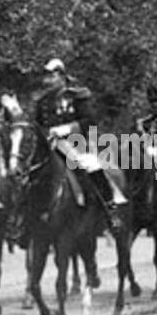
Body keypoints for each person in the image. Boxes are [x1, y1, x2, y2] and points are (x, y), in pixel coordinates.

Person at [35, 56, 127, 229]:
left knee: (91, 165)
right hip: (49, 146)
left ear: (62, 77)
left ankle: (110, 208)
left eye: (52, 76)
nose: (48, 81)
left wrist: (66, 129)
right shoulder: (42, 102)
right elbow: (38, 125)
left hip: (76, 144)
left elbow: (89, 121)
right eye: (46, 77)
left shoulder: (77, 96)